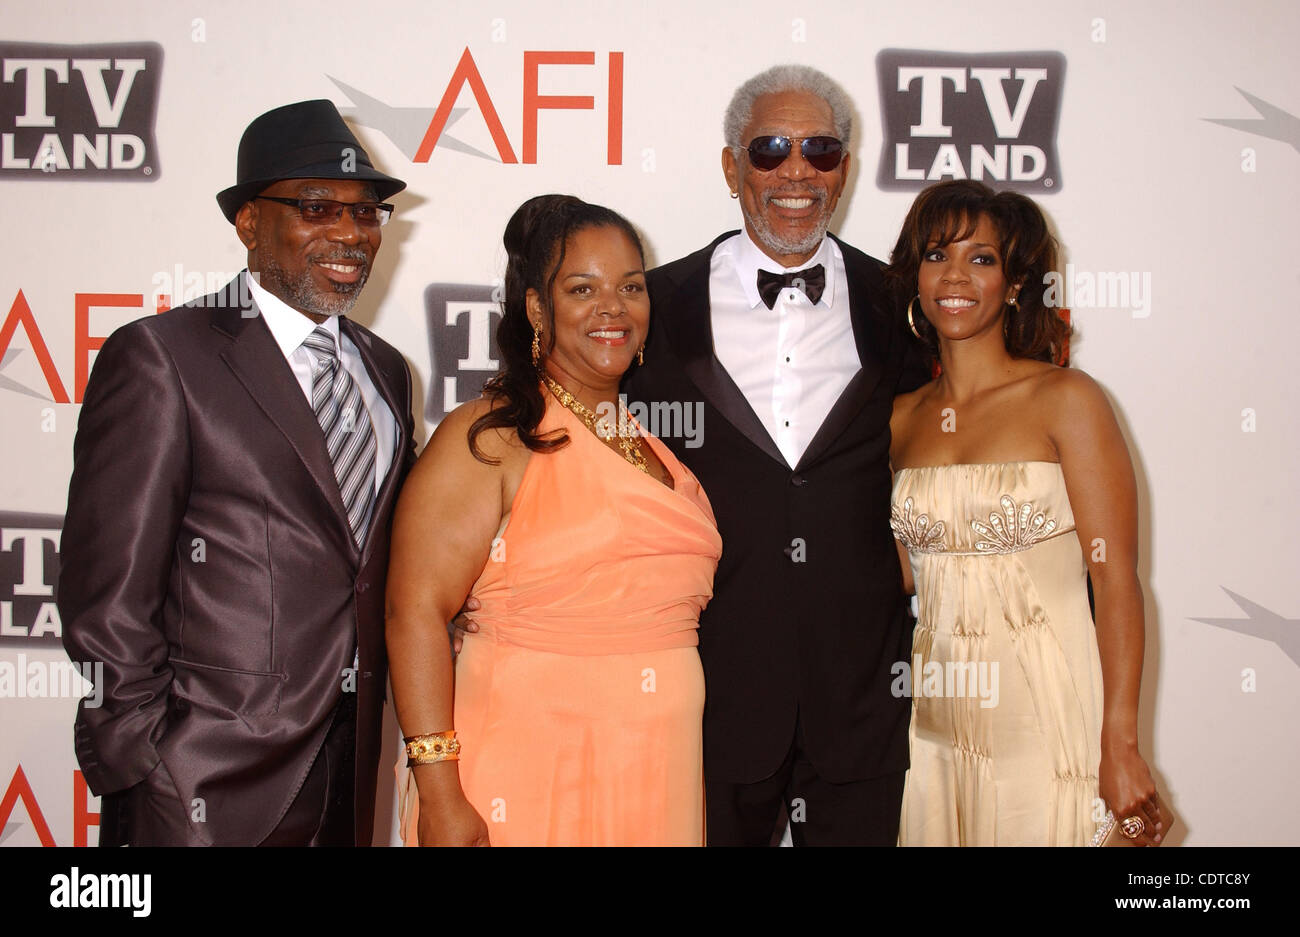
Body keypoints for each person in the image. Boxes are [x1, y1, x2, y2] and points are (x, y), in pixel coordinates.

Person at [59, 99, 416, 846]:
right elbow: (105, 595)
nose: (351, 234)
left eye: (367, 213)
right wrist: (147, 762)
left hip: (347, 777)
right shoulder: (163, 356)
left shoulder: (385, 372)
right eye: (317, 207)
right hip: (199, 784)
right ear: (249, 222)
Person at [619, 65, 932, 845]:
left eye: (821, 150)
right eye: (771, 149)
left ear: (845, 171)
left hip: (862, 695)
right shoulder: (651, 307)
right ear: (732, 168)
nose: (798, 170)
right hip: (707, 690)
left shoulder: (903, 305)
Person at [386, 195, 721, 846]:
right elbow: (413, 610)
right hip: (526, 772)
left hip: (658, 774)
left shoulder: (654, 448)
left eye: (630, 287)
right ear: (538, 308)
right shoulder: (492, 436)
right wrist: (439, 793)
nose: (612, 308)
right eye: (582, 288)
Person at [886, 179, 1167, 846]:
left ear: (1015, 283)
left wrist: (1121, 741)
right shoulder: (899, 418)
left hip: (1046, 708)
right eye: (936, 255)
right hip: (935, 718)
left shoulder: (1066, 398)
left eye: (981, 259)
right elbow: (894, 579)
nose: (955, 275)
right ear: (915, 277)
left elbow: (1117, 580)